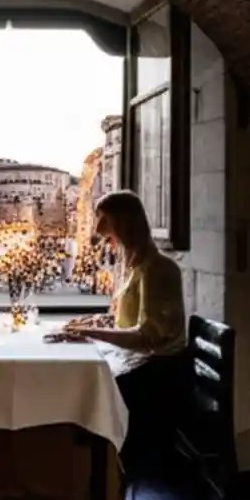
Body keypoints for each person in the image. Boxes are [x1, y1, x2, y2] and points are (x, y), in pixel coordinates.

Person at [63, 190, 188, 469]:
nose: (97, 229)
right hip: (144, 364)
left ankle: (97, 471)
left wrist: (89, 333)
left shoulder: (158, 270)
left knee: (87, 393)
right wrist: (92, 323)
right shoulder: (135, 266)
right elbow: (127, 322)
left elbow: (147, 338)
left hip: (158, 374)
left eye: (104, 220)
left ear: (123, 223)